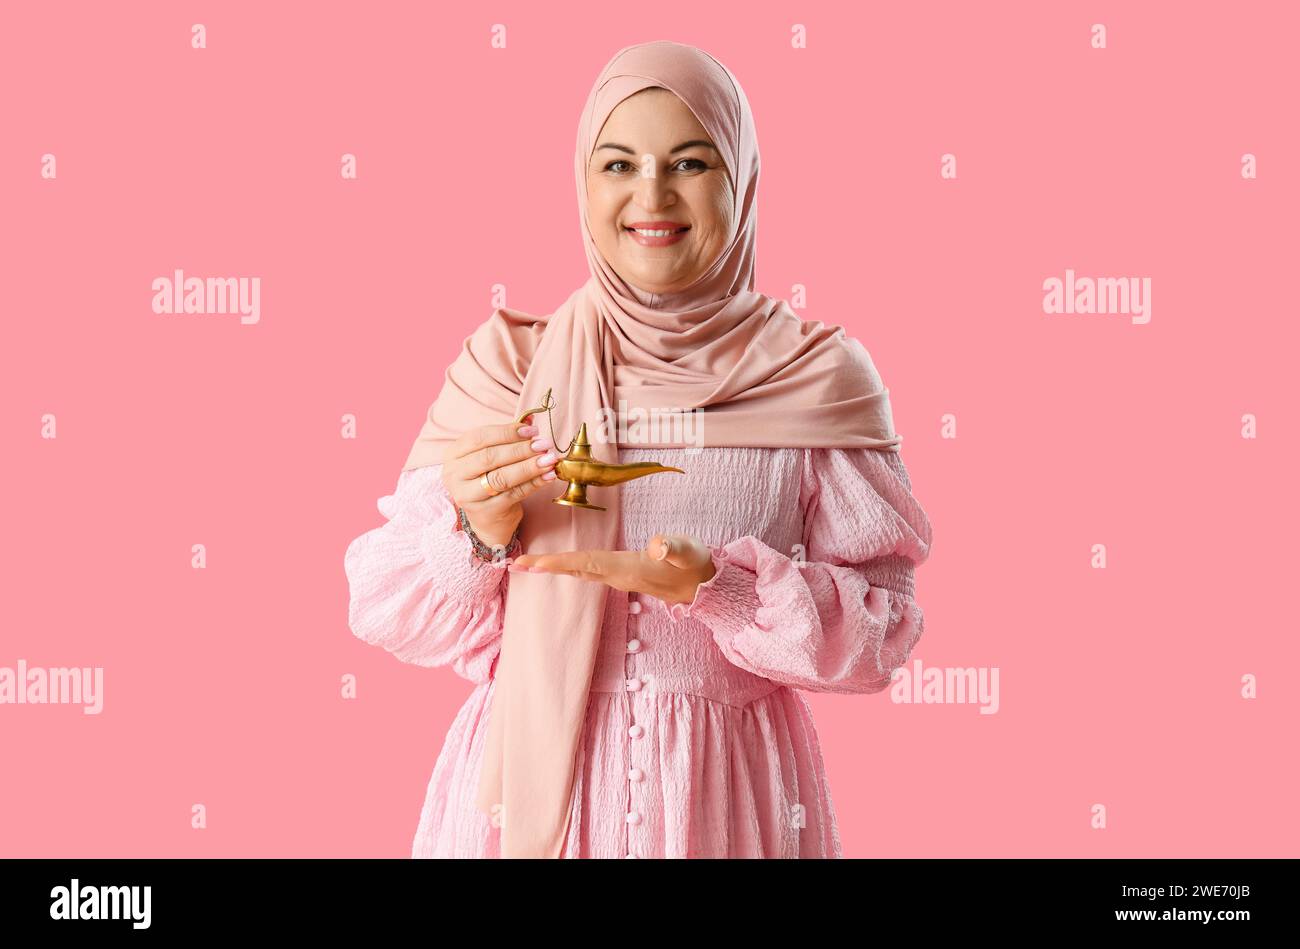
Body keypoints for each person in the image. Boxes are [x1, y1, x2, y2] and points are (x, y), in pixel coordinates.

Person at [343, 40, 934, 859]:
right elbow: (380, 605)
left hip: (725, 804)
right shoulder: (509, 368)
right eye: (618, 165)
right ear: (583, 183)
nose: (651, 194)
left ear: (742, 180)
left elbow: (885, 628)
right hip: (517, 809)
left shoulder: (816, 375)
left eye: (689, 162)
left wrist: (717, 588)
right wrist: (474, 531)